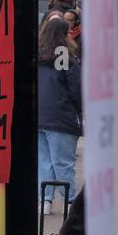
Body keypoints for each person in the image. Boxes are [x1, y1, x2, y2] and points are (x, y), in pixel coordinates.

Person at [37, 15, 82, 212]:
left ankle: (45, 201)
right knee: (63, 164)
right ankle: (69, 202)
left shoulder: (39, 54)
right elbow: (74, 87)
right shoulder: (63, 56)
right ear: (63, 35)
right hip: (60, 116)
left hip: (40, 116)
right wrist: (80, 109)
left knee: (44, 162)